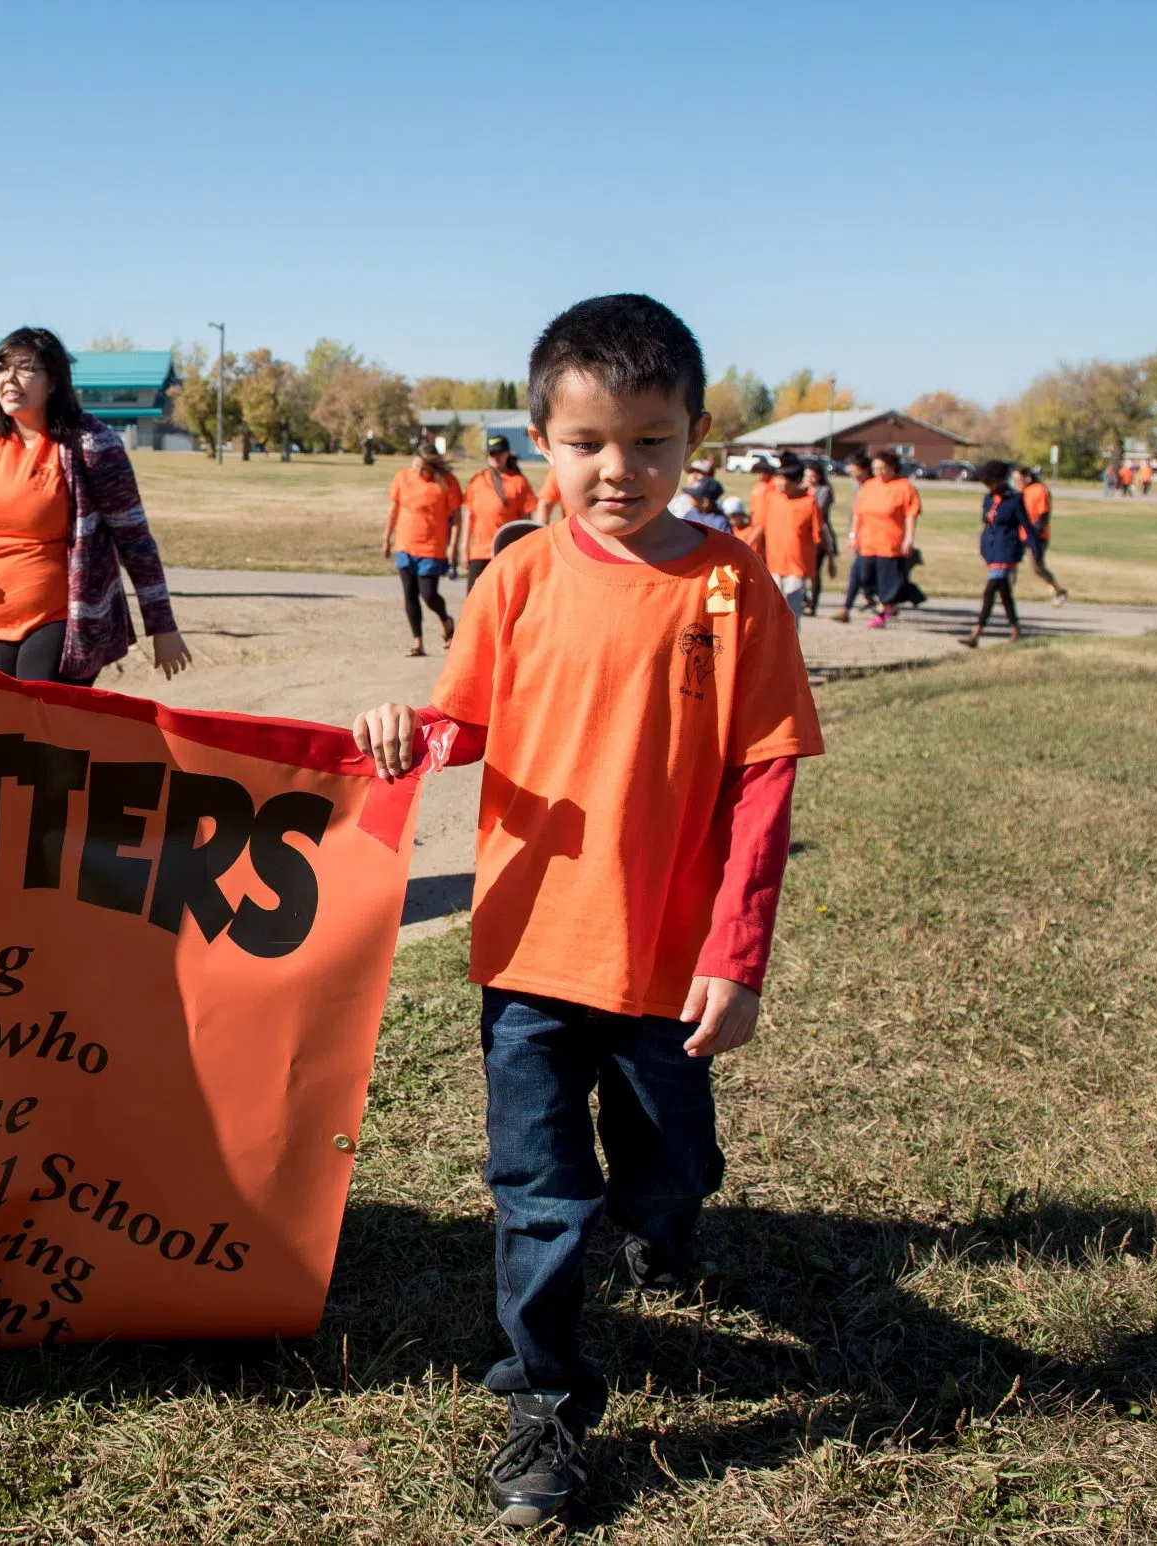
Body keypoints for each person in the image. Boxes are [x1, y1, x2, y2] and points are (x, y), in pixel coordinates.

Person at [349, 294, 820, 1527]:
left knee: (671, 1160)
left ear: (694, 434)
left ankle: (665, 1226)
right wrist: (417, 735)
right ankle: (543, 1405)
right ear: (542, 440)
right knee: (541, 1192)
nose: (619, 471)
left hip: (668, 960)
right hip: (530, 947)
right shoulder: (512, 575)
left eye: (651, 441)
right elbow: (465, 719)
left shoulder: (733, 587)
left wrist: (738, 952)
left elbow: (763, 780)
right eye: (588, 444)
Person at [0, 327, 189, 685]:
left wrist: (162, 625)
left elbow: (135, 539)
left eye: (26, 368)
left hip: (63, 619)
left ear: (53, 382)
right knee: (0, 731)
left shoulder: (90, 444)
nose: (10, 379)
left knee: (41, 722)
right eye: (2, 367)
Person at [380, 440, 465, 655]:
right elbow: (394, 509)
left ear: (432, 466)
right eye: (415, 465)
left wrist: (452, 546)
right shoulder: (403, 477)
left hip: (432, 549)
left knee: (428, 594)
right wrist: (386, 537)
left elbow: (456, 518)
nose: (417, 471)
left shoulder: (447, 482)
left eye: (422, 467)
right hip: (404, 545)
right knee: (409, 593)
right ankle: (417, 641)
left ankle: (446, 620)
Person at [838, 449, 920, 626]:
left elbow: (910, 515)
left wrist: (909, 538)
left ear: (892, 468)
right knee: (865, 577)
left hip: (890, 542)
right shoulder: (869, 486)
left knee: (886, 581)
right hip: (867, 541)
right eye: (876, 468)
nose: (879, 472)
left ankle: (883, 612)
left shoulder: (904, 487)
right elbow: (858, 514)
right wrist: (853, 536)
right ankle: (895, 599)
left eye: (883, 468)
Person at [961, 458, 1034, 648]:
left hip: (1008, 549)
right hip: (992, 550)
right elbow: (987, 523)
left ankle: (976, 633)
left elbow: (1027, 526)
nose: (988, 486)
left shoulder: (1015, 499)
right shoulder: (988, 499)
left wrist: (1036, 551)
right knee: (1004, 592)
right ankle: (1016, 629)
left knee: (990, 589)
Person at [750, 457, 825, 625]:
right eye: (778, 478)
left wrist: (831, 560)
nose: (779, 483)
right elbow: (760, 526)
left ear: (797, 481)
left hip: (797, 566)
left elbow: (819, 532)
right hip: (774, 563)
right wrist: (746, 547)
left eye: (784, 480)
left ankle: (791, 647)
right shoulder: (772, 499)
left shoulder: (809, 502)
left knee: (792, 610)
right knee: (772, 609)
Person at [463, 433, 538, 586]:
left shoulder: (518, 482)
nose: (496, 457)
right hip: (479, 552)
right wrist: (464, 546)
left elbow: (525, 523)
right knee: (474, 601)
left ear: (507, 454)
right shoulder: (477, 481)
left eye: (500, 453)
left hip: (506, 552)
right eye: (492, 453)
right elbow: (469, 516)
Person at [1013, 463, 1067, 603]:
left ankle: (1058, 590)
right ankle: (1006, 592)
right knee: (1009, 563)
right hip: (1019, 534)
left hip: (1037, 536)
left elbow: (1043, 514)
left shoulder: (1039, 490)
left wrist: (1034, 531)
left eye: (1019, 480)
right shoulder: (1020, 492)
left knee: (1037, 567)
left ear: (1027, 478)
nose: (1016, 483)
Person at [804, 459, 839, 617]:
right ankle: (803, 599)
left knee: (814, 572)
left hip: (820, 534)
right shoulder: (803, 489)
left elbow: (819, 510)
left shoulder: (824, 490)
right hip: (804, 535)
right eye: (807, 476)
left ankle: (813, 604)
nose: (809, 479)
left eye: (812, 476)